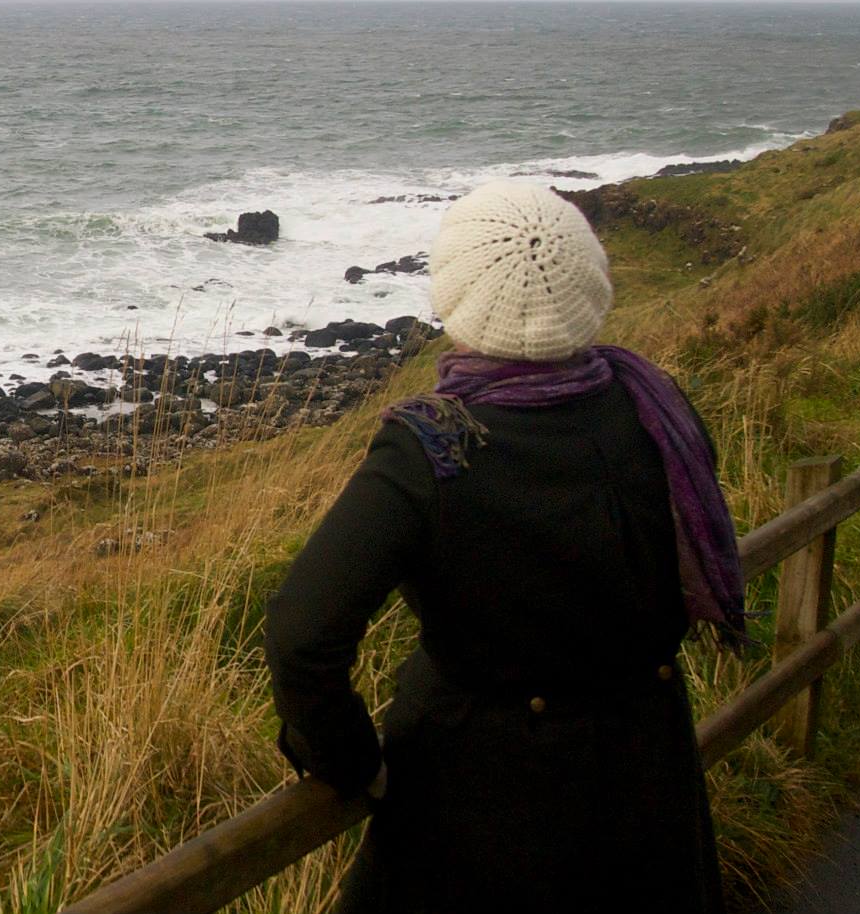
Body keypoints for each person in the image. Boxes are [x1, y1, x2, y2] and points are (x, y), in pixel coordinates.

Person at [263, 181, 739, 913]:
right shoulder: (652, 405)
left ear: (455, 297)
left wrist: (351, 763)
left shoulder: (431, 447)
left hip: (481, 800)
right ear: (589, 287)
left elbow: (302, 633)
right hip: (647, 776)